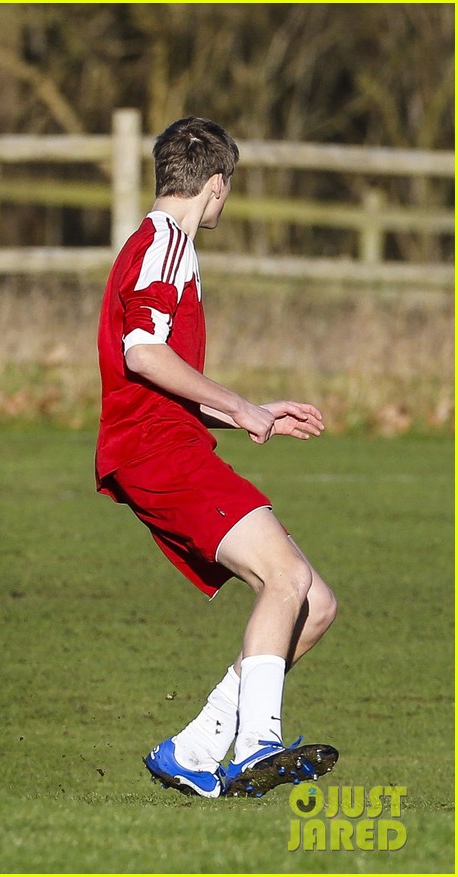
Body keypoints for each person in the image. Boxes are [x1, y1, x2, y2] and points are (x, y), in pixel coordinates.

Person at [94, 117, 340, 799]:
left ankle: (195, 746)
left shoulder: (158, 245)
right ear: (216, 184)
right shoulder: (167, 243)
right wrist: (237, 405)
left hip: (164, 444)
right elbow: (143, 353)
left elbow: (153, 370)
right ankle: (259, 742)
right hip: (157, 452)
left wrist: (251, 406)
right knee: (285, 575)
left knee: (313, 603)